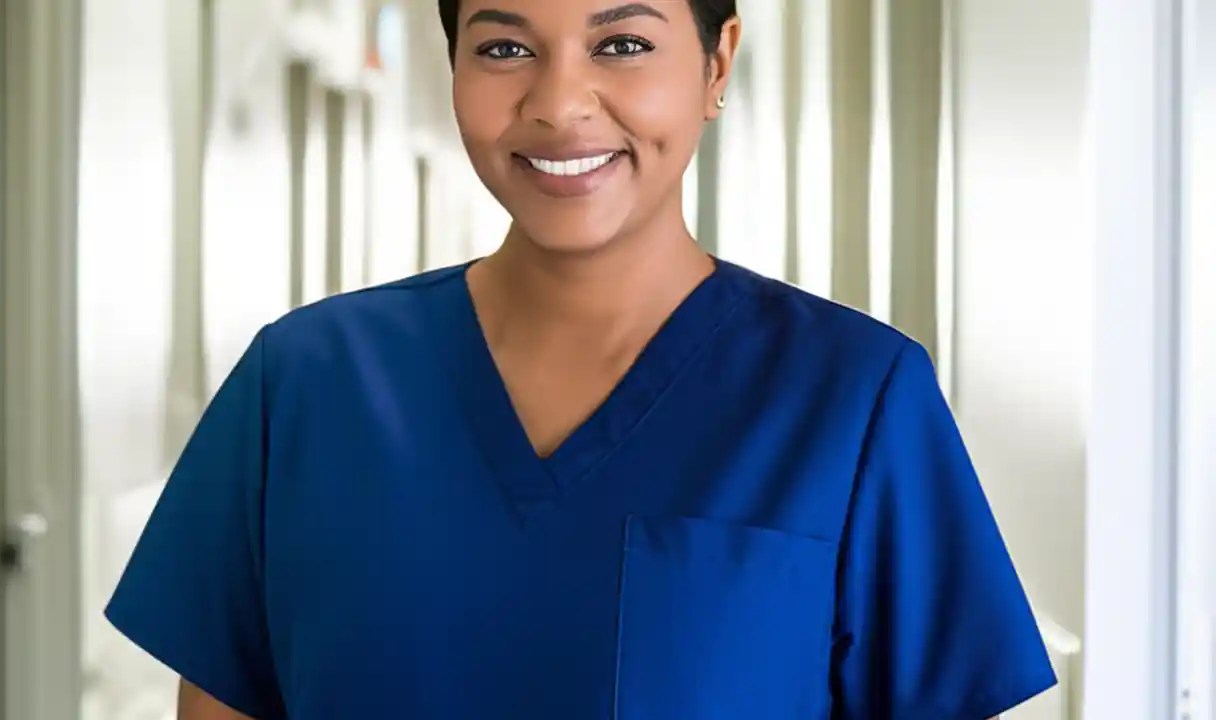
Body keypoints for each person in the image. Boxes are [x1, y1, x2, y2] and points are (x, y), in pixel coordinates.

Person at [105, 1, 1058, 717]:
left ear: (717, 62)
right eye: (503, 48)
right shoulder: (304, 382)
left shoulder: (852, 396)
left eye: (623, 44)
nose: (560, 105)